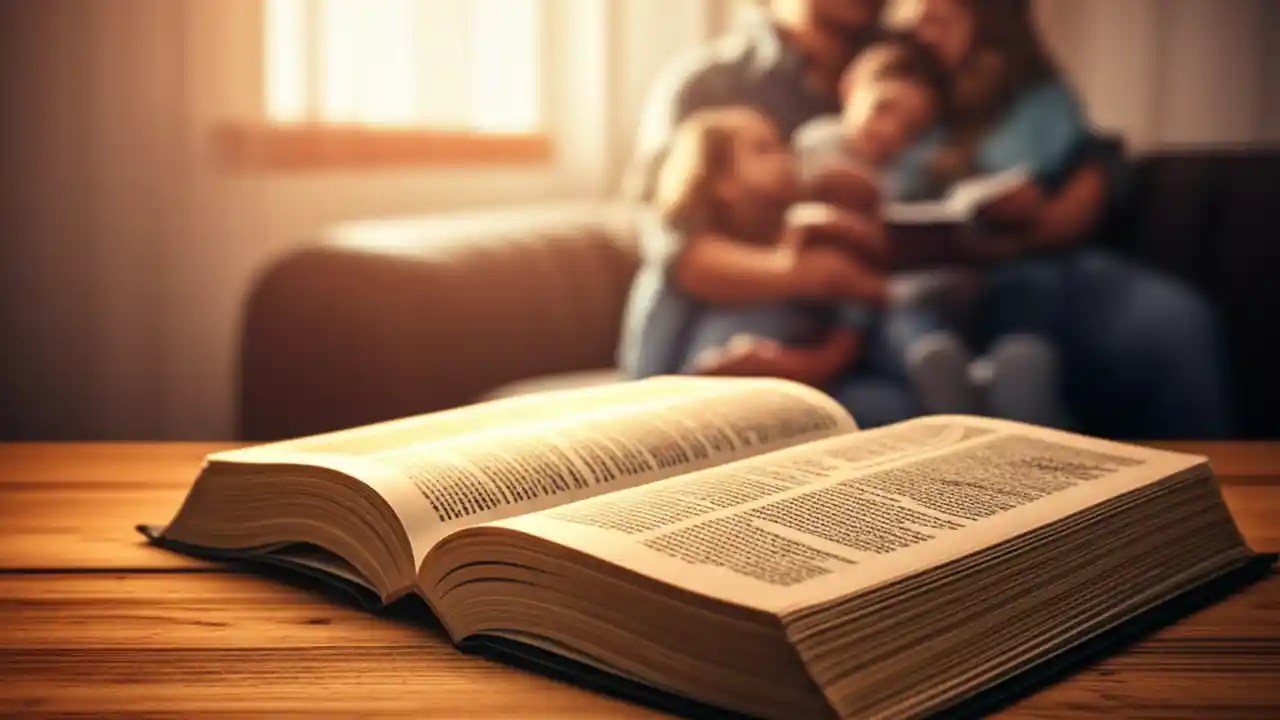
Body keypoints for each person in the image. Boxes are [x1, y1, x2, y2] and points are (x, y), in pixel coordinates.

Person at [882, 0, 1231, 437]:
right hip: (925, 278)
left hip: (1040, 259)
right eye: (912, 26)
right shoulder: (882, 98)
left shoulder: (1035, 99)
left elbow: (1090, 173)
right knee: (916, 323)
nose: (924, 37)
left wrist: (1040, 220)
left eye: (939, 22)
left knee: (1176, 322)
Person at [617, 0, 926, 427]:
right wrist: (807, 275)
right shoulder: (708, 84)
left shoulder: (911, 73)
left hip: (855, 346)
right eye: (766, 149)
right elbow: (673, 244)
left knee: (896, 405)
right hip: (739, 321)